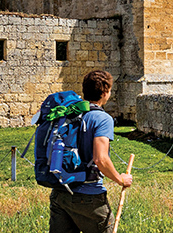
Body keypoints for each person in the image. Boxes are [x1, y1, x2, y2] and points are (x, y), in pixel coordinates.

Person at [49, 70, 133, 233]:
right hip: (88, 196)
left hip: (60, 192)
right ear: (105, 92)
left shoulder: (69, 115)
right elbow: (100, 159)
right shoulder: (102, 118)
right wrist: (120, 179)